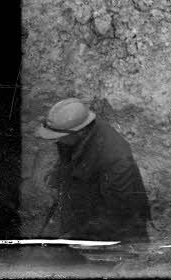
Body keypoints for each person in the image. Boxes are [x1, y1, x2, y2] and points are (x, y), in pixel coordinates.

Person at [35, 98, 151, 243]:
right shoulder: (78, 132)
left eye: (60, 137)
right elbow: (68, 154)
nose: (57, 141)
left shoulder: (116, 160)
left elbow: (122, 214)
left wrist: (77, 235)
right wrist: (58, 175)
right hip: (89, 205)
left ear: (80, 132)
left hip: (119, 230)